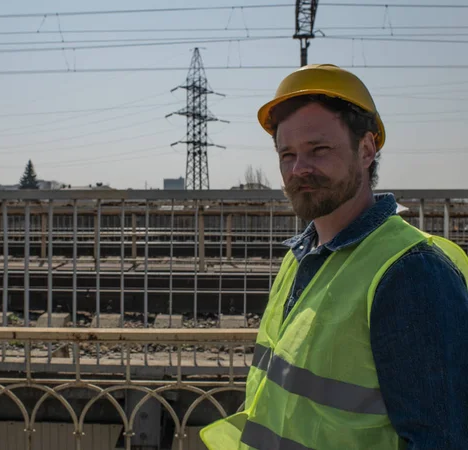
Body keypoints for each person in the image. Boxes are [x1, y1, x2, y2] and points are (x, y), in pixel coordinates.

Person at [200, 64, 468, 449]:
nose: (299, 169)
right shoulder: (300, 256)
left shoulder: (411, 272)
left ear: (366, 149)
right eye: (287, 154)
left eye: (319, 149)